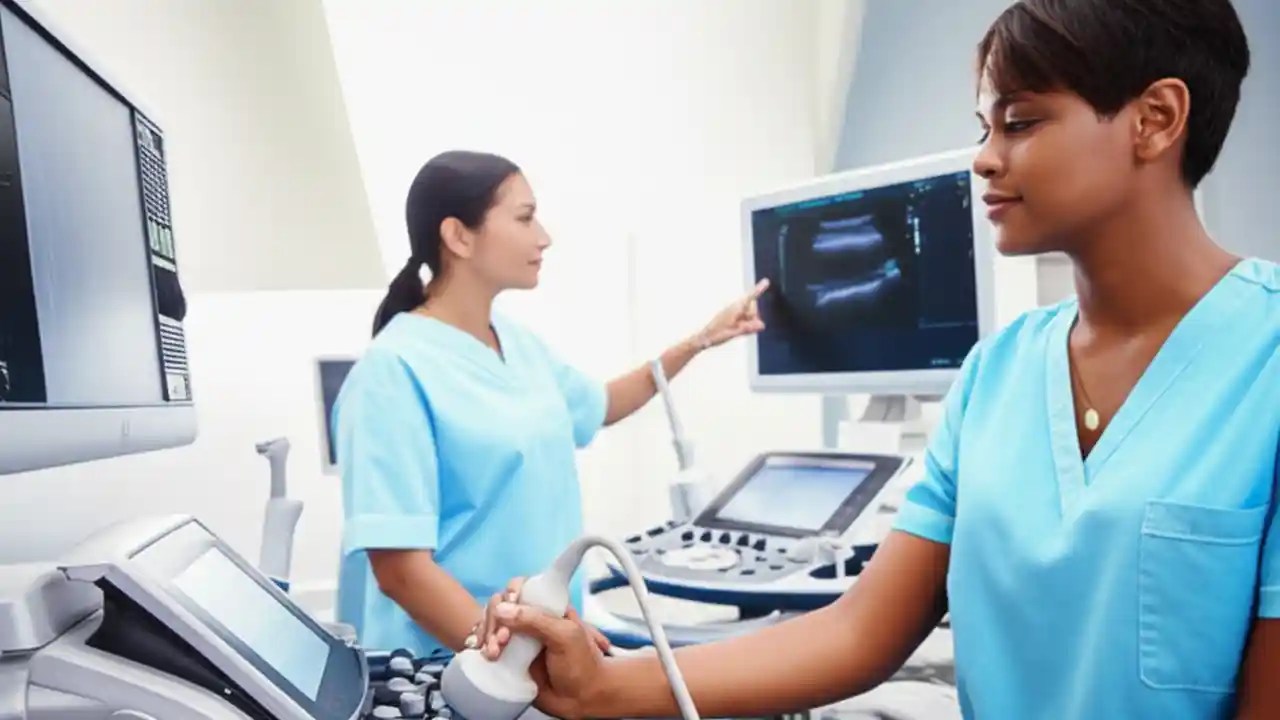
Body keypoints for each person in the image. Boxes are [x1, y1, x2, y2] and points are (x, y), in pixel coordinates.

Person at [481, 0, 1280, 718]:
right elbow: (861, 631)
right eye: (984, 128)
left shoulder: (1266, 360)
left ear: (1155, 119)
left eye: (1021, 122)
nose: (983, 158)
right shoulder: (995, 376)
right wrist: (606, 686)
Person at [331, 150, 769, 659]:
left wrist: (699, 341)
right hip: (453, 669)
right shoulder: (391, 373)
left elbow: (601, 404)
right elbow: (402, 572)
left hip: (539, 657)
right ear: (458, 236)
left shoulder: (515, 343)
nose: (543, 237)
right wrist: (508, 662)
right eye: (524, 218)